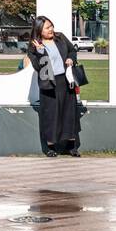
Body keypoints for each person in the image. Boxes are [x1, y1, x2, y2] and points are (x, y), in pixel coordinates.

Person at [24, 16, 82, 157]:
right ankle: (50, 147)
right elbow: (38, 67)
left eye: (51, 26)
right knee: (51, 115)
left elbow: (72, 51)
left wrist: (71, 59)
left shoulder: (60, 38)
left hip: (66, 81)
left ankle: (70, 147)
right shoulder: (33, 46)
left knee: (69, 113)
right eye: (47, 27)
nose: (51, 29)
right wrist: (40, 52)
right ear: (39, 30)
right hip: (49, 83)